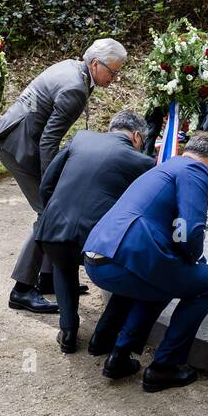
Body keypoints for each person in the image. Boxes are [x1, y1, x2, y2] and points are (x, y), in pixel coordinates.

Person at [82, 131, 208, 392]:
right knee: (205, 283)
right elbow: (189, 229)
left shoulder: (168, 165)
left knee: (166, 279)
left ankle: (120, 355)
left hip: (99, 256)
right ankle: (165, 367)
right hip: (126, 259)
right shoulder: (195, 171)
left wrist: (188, 264)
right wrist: (200, 266)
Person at [0, 38, 127, 313]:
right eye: (112, 71)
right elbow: (48, 142)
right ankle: (22, 290)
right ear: (94, 63)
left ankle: (49, 279)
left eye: (117, 72)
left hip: (16, 135)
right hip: (17, 144)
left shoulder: (72, 68)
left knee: (52, 210)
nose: (114, 78)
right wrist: (50, 185)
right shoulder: (75, 88)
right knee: (49, 214)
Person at [34, 110, 154, 353]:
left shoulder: (80, 138)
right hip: (95, 242)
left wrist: (53, 213)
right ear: (137, 137)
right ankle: (103, 335)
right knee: (130, 274)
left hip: (52, 231)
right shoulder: (143, 163)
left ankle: (68, 331)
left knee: (63, 266)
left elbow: (47, 183)